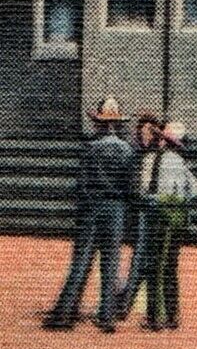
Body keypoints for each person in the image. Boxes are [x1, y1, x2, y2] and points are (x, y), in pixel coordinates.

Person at [43, 96, 135, 333]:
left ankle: (64, 314)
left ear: (99, 123)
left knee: (81, 263)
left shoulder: (91, 148)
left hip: (93, 208)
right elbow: (129, 186)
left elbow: (82, 184)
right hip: (116, 209)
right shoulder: (127, 150)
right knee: (110, 264)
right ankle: (107, 317)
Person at [146, 121, 197, 331]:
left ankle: (156, 318)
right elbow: (195, 190)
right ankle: (172, 315)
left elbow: (155, 193)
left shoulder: (161, 161)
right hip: (178, 219)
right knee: (170, 268)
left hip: (162, 217)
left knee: (157, 269)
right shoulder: (180, 162)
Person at [117, 113, 162, 321]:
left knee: (144, 262)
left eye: (150, 132)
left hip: (152, 212)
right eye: (143, 131)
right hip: (137, 211)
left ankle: (127, 303)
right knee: (139, 260)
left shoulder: (158, 157)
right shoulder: (134, 154)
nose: (146, 136)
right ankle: (124, 303)